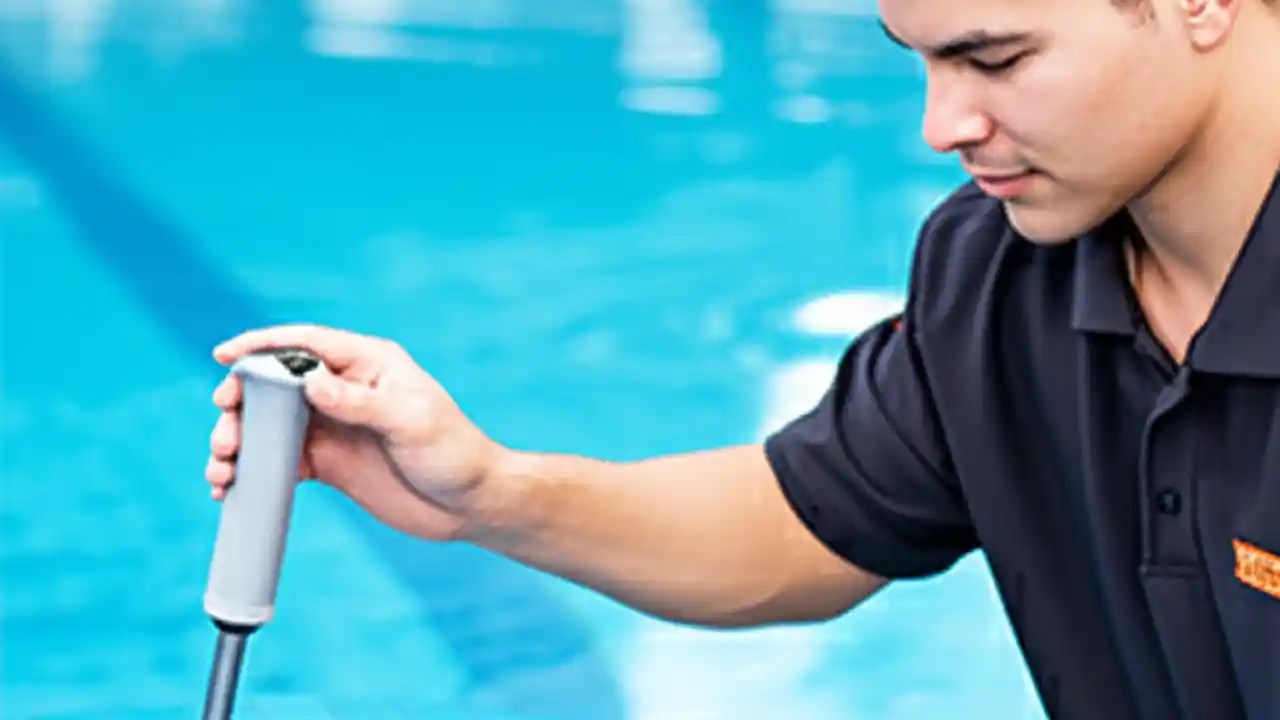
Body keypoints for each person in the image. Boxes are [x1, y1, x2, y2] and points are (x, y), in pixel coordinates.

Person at [205, 1, 1280, 717]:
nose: (939, 123)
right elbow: (796, 526)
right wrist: (484, 491)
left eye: (992, 58)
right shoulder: (995, 273)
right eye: (918, 60)